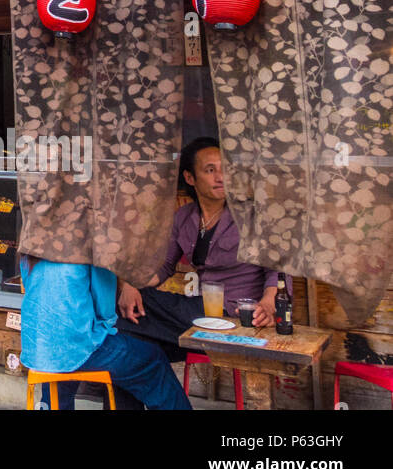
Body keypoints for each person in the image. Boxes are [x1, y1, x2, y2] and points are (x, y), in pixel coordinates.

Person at [116, 136, 292, 354]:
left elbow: (278, 270)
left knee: (127, 326)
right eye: (210, 170)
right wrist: (132, 285)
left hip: (241, 314)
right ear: (190, 178)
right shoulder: (184, 217)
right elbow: (163, 266)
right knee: (133, 330)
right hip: (205, 313)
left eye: (224, 169)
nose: (220, 178)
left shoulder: (252, 216)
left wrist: (267, 304)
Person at [19, 254, 191, 410]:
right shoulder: (91, 244)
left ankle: (50, 405)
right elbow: (106, 309)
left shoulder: (34, 245)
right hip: (75, 346)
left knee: (58, 368)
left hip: (37, 346)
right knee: (154, 360)